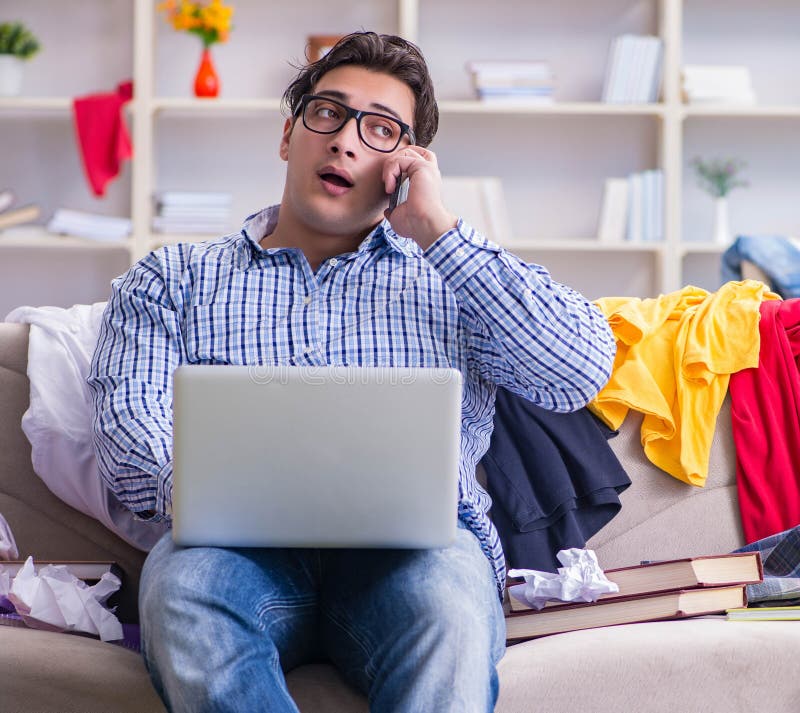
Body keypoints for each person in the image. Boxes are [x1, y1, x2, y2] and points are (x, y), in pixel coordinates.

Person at [88, 31, 615, 713]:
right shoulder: (171, 280)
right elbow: (128, 434)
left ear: (407, 166)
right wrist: (194, 490)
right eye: (328, 113)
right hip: (233, 556)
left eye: (379, 129)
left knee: (451, 604)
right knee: (183, 588)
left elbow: (579, 371)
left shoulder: (452, 277)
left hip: (417, 558)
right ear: (288, 135)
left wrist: (441, 232)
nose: (344, 141)